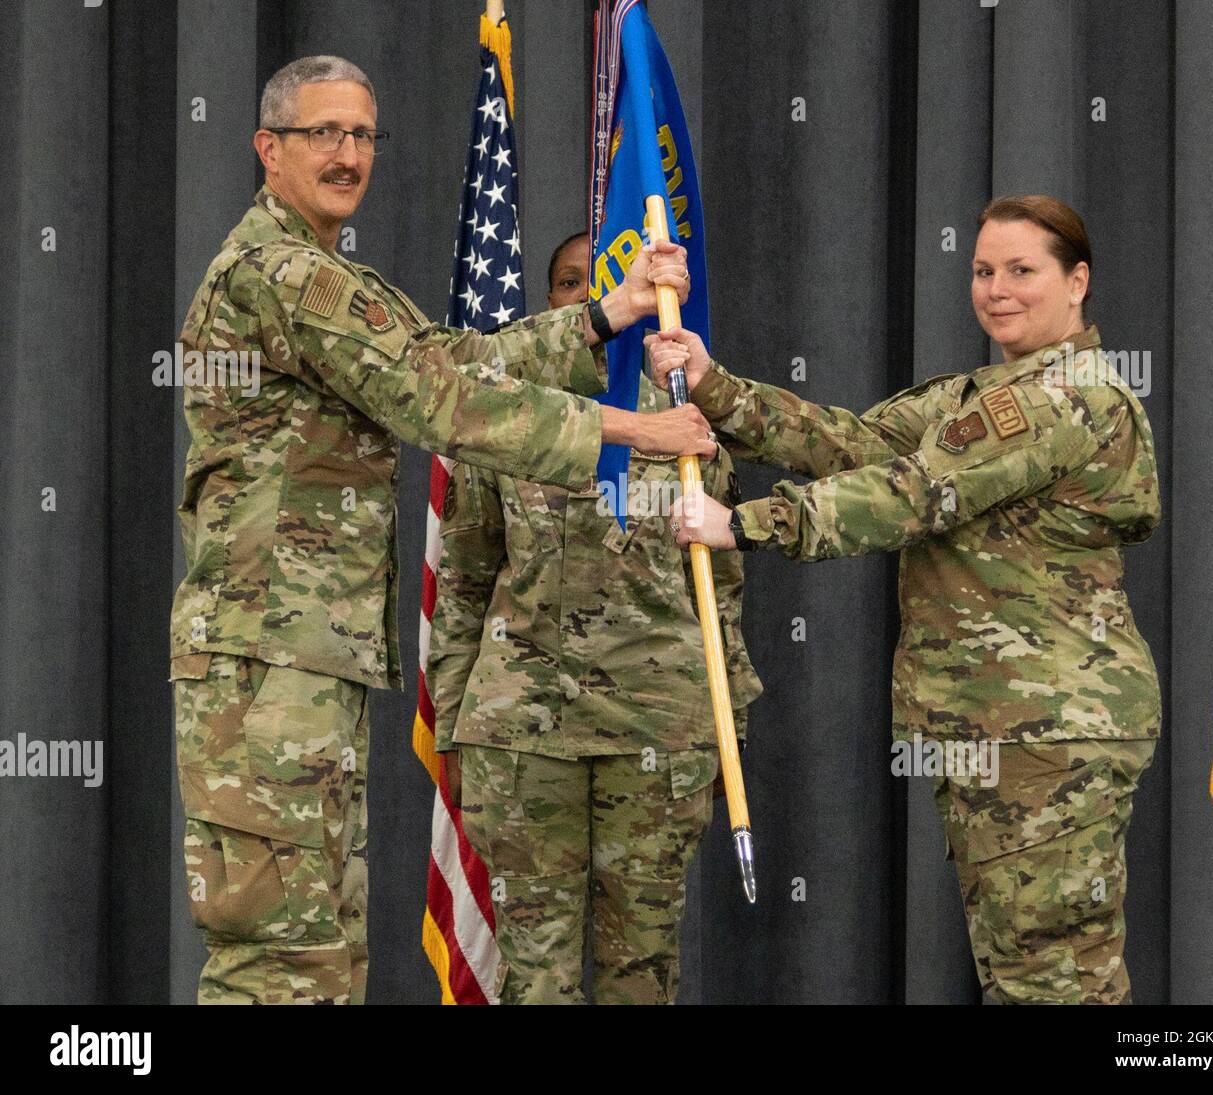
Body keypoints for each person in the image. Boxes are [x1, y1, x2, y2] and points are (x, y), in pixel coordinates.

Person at [169, 55, 715, 1006]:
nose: (347, 155)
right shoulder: (281, 274)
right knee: (280, 960)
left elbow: (444, 354)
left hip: (298, 660)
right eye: (322, 134)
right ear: (268, 149)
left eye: (363, 135)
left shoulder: (320, 272)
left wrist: (604, 316)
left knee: (322, 949)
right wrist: (632, 429)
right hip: (267, 666)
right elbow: (442, 398)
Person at [648, 195, 1161, 1005]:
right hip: (999, 727)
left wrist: (741, 525)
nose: (997, 289)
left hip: (1049, 733)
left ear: (1078, 280)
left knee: (1057, 984)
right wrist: (715, 388)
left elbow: (913, 493)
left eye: (1023, 270)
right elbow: (853, 444)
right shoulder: (982, 395)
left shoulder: (1071, 396)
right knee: (1020, 975)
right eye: (984, 270)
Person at [429, 233, 762, 1004]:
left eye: (601, 282)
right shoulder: (503, 421)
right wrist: (453, 725)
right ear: (549, 303)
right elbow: (466, 580)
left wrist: (727, 733)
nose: (585, 296)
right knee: (536, 980)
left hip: (659, 726)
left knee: (639, 977)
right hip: (521, 734)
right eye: (569, 283)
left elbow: (723, 588)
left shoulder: (686, 418)